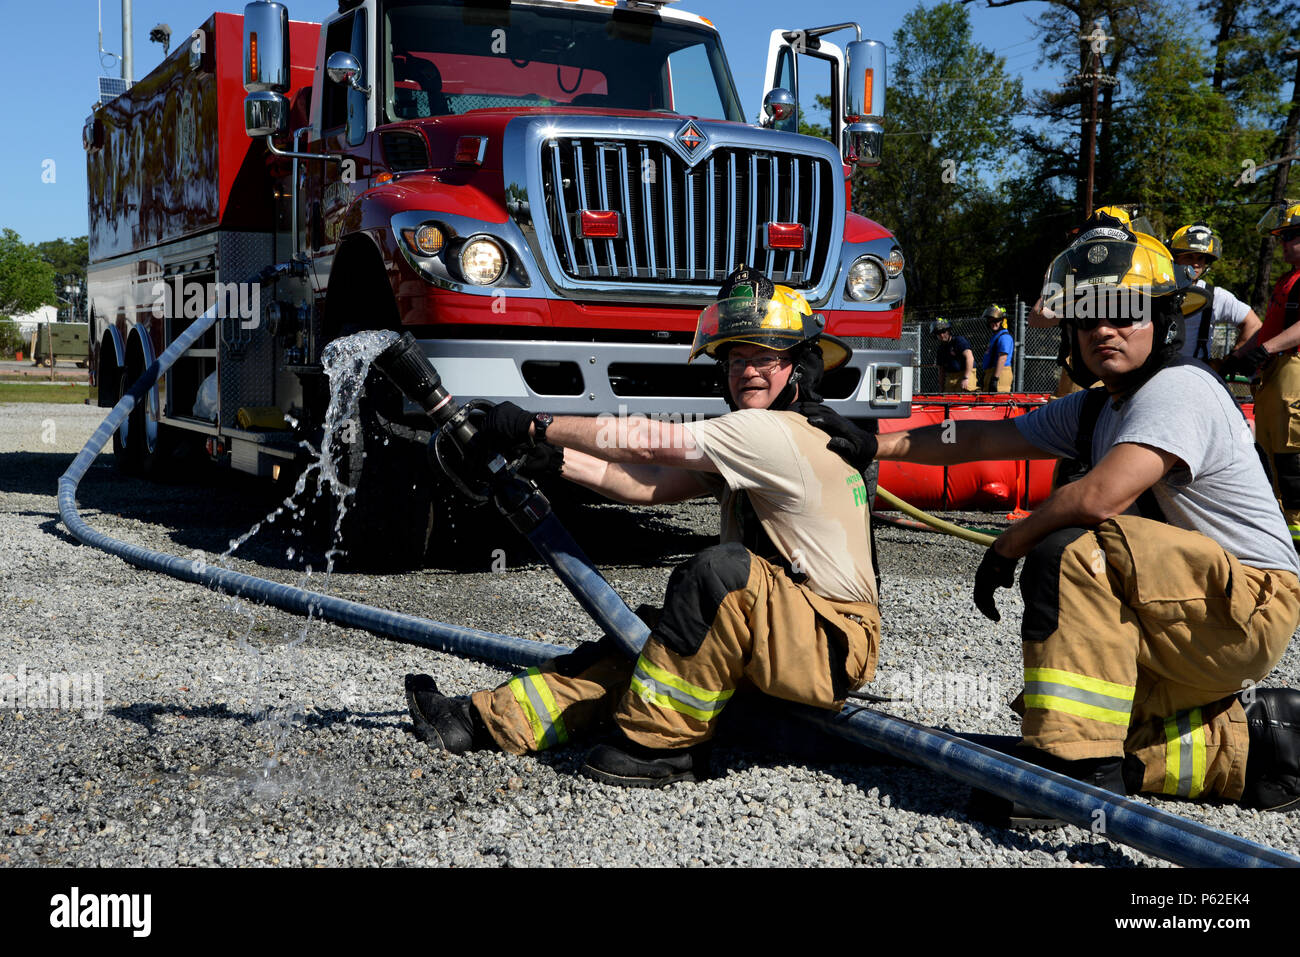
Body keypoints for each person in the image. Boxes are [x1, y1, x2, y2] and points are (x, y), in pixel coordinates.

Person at [816, 211, 1300, 819]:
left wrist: (1006, 545)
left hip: (1246, 609)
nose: (1106, 330)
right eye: (1088, 316)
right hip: (1191, 611)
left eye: (1125, 312)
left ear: (1161, 322)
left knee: (1073, 548)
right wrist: (870, 442)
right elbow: (977, 440)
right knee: (1077, 714)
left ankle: (1076, 773)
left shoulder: (1179, 388)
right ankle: (1264, 742)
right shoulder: (1099, 408)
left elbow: (1100, 497)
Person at [402, 265, 881, 787]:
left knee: (717, 576)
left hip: (830, 644)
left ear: (799, 369)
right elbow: (641, 482)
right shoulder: (764, 442)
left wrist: (535, 423)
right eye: (737, 359)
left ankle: (661, 749)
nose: (748, 372)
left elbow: (648, 441)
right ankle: (477, 722)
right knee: (650, 642)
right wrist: (549, 457)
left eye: (766, 358)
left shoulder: (772, 432)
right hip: (785, 632)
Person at [1219, 203, 1300, 552]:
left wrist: (1266, 351)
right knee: (1270, 450)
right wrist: (1235, 357)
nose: (1282, 245)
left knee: (1292, 453)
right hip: (1276, 374)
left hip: (1294, 370)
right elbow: (1268, 329)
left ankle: (1296, 529)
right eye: (1281, 239)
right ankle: (1281, 528)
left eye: (1290, 238)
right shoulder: (1288, 279)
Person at [1168, 222, 1261, 362]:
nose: (1196, 264)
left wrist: (1233, 358)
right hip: (1155, 372)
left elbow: (1254, 325)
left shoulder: (1215, 296)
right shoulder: (1156, 291)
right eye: (1189, 256)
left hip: (1195, 374)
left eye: (1201, 258)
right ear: (1174, 257)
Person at [933, 319, 977, 392]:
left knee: (965, 399)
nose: (941, 335)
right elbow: (941, 369)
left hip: (964, 373)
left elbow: (970, 358)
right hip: (950, 377)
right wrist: (941, 387)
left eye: (943, 331)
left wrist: (966, 378)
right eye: (938, 333)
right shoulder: (941, 349)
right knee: (949, 400)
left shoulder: (958, 341)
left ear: (949, 331)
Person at [980, 304, 1015, 392]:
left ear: (1002, 321)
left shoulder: (1004, 337)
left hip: (1000, 374)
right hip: (992, 372)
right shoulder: (995, 336)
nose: (993, 323)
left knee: (997, 401)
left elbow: (1002, 358)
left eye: (996, 320)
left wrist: (995, 379)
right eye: (990, 321)